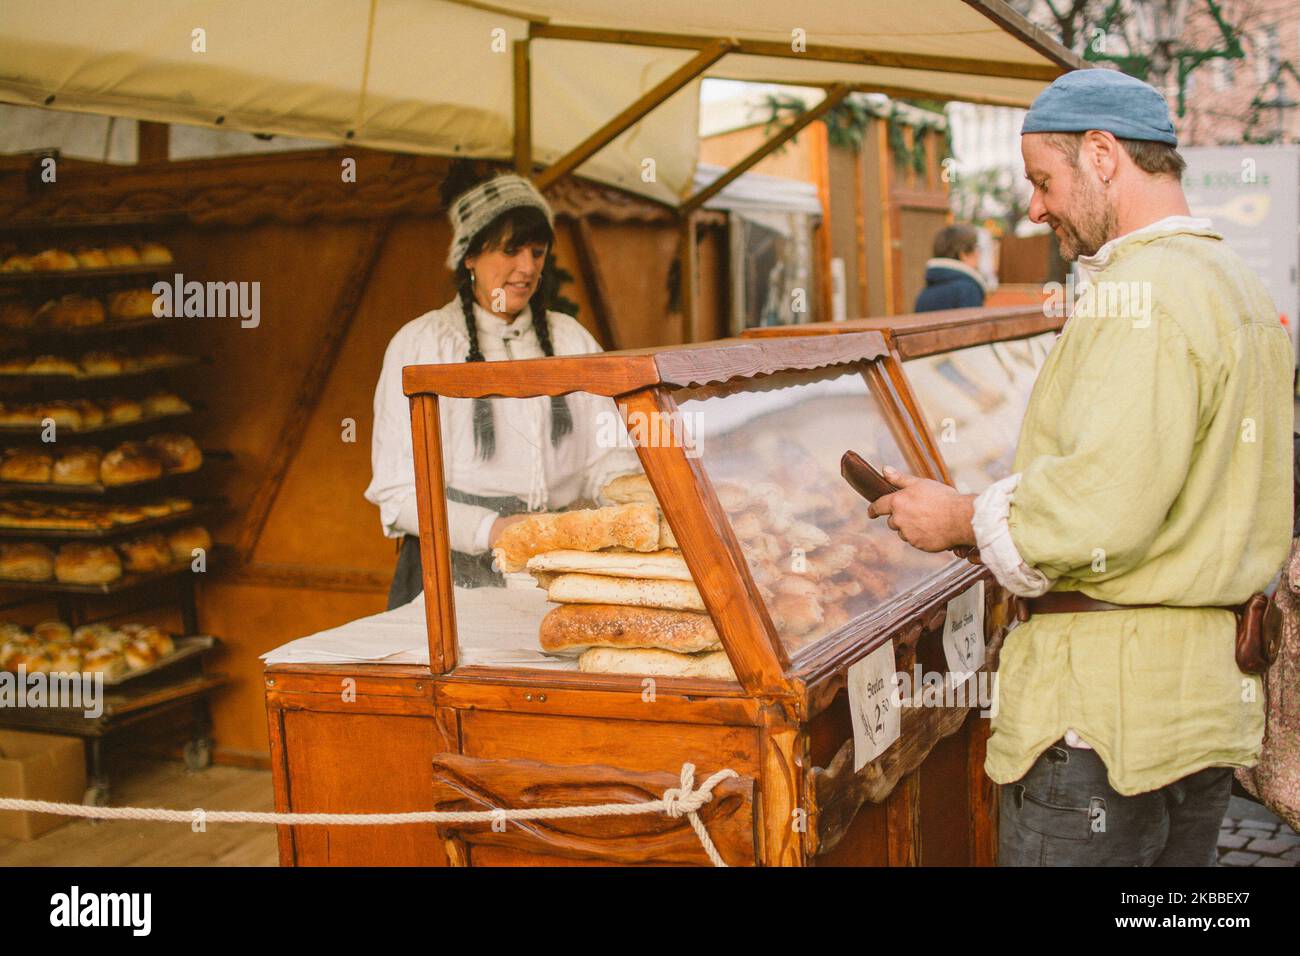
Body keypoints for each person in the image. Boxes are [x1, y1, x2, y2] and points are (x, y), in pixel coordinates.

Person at [867, 68, 1293, 866]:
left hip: (1104, 718)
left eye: (1043, 180)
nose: (1035, 207)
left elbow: (1100, 515)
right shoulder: (1235, 284)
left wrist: (957, 518)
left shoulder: (1146, 296)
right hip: (1194, 709)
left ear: (1102, 154)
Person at [365, 170, 638, 608]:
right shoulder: (423, 344)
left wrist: (623, 495)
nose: (527, 267)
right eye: (510, 250)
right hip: (451, 576)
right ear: (469, 256)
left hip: (557, 567)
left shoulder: (570, 340)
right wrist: (493, 530)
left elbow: (608, 453)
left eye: (537, 251)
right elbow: (398, 494)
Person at [913, 224, 987, 312]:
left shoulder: (925, 293)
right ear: (963, 254)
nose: (979, 254)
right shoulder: (968, 290)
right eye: (976, 248)